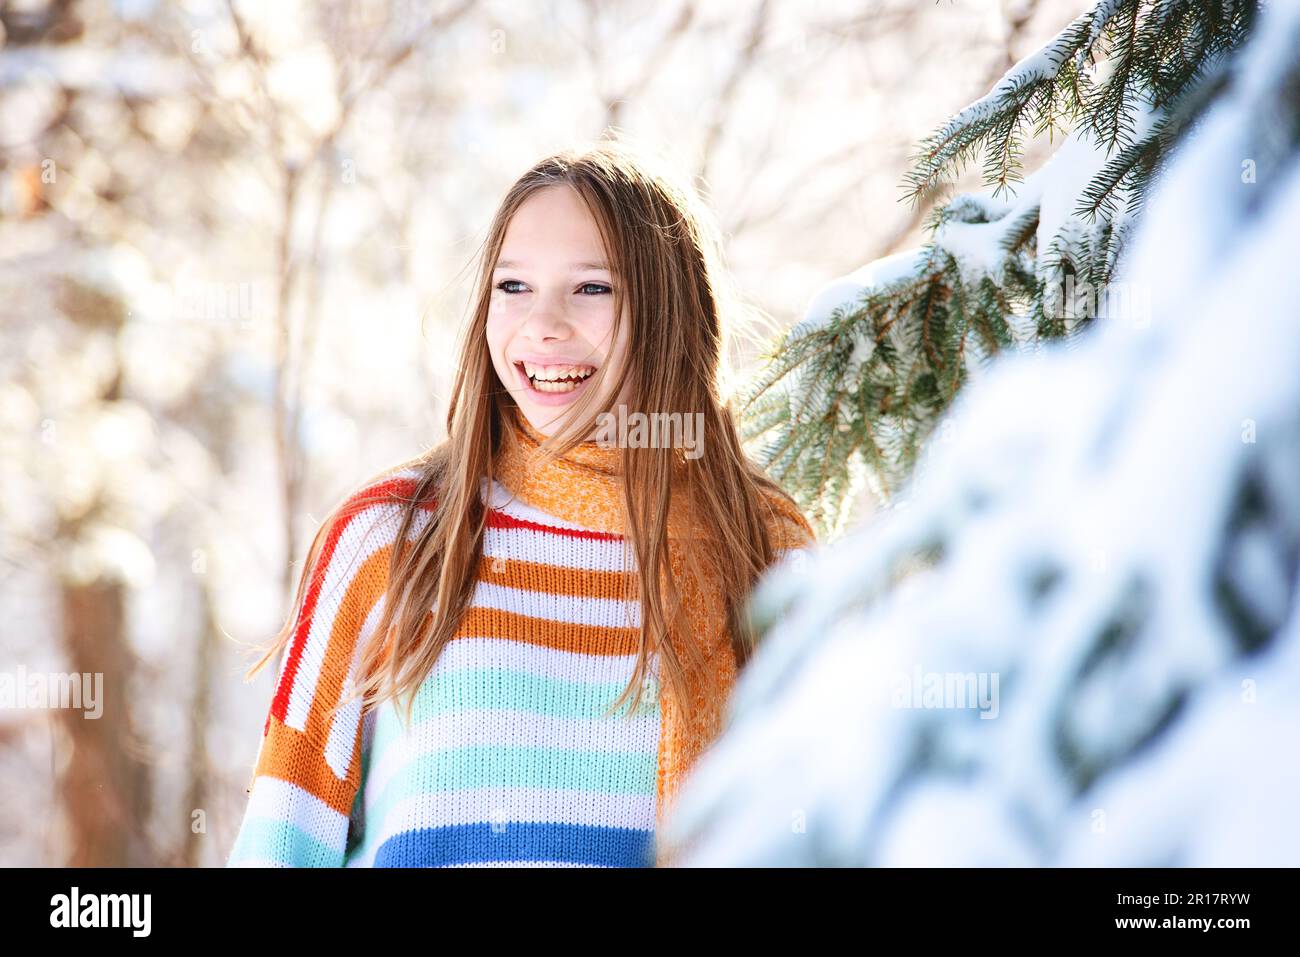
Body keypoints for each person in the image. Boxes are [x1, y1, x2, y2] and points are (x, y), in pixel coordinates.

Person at [226, 139, 816, 868]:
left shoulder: (764, 549)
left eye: (592, 288)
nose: (544, 324)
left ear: (669, 309)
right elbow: (281, 841)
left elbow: (820, 825)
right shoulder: (390, 537)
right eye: (514, 286)